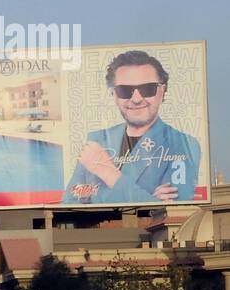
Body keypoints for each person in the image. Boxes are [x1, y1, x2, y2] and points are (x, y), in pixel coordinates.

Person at [61, 49, 202, 204]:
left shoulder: (183, 144)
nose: (136, 99)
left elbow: (174, 211)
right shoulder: (97, 139)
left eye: (148, 88)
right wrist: (149, 199)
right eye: (125, 90)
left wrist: (109, 174)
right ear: (113, 95)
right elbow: (69, 203)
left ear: (163, 90)